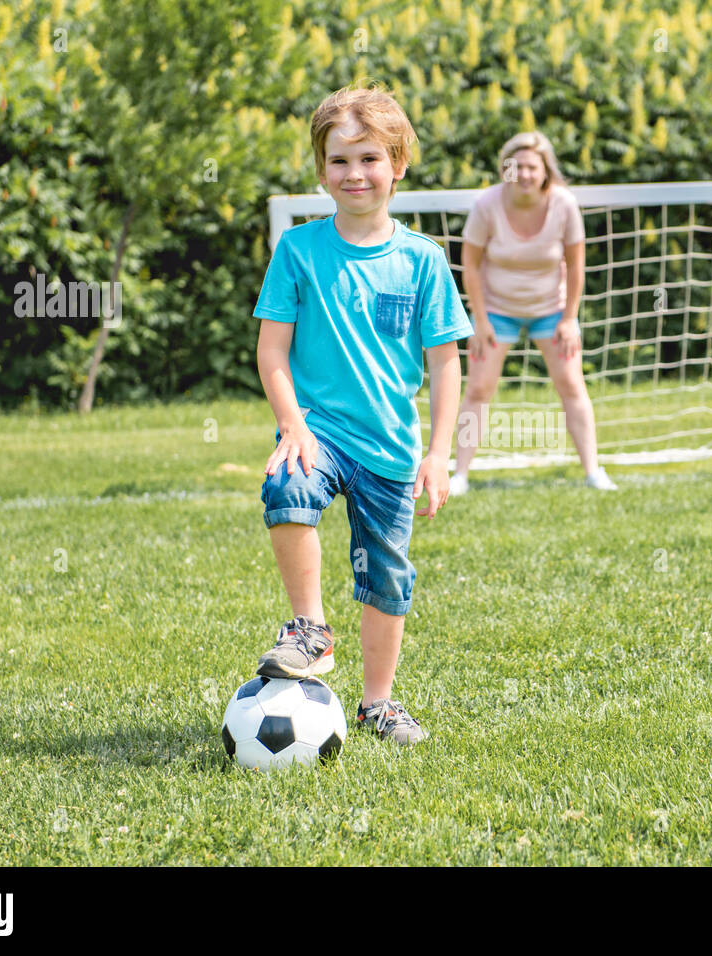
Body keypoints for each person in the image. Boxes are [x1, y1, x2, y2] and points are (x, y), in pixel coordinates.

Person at [251, 85, 471, 745]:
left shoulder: (424, 261)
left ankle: (378, 704)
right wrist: (292, 425)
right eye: (340, 160)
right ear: (321, 171)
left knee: (386, 579)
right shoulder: (298, 252)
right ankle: (310, 630)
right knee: (286, 485)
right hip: (317, 431)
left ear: (398, 163)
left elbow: (446, 363)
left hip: (390, 446)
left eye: (370, 158)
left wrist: (438, 455)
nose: (355, 174)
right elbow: (272, 352)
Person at [450, 131, 617, 493]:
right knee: (478, 388)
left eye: (531, 167)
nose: (524, 174)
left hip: (551, 311)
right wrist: (479, 320)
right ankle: (459, 474)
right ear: (505, 170)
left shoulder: (564, 204)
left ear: (545, 171)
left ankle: (593, 472)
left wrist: (570, 318)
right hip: (496, 311)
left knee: (572, 384)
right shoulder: (487, 205)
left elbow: (575, 265)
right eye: (516, 167)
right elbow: (470, 265)